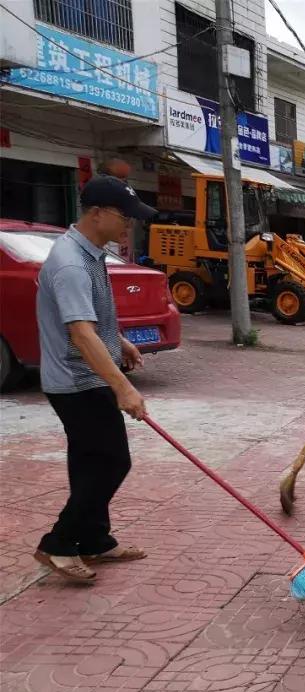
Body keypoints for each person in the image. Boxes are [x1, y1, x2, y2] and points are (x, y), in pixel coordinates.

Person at [33, 176, 157, 583]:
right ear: (97, 213)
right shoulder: (70, 262)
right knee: (112, 461)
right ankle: (58, 543)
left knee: (89, 463)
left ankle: (95, 540)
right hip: (77, 381)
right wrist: (123, 387)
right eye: (125, 217)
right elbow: (81, 333)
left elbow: (89, 319)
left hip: (86, 375)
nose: (129, 226)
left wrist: (119, 340)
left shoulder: (90, 253)